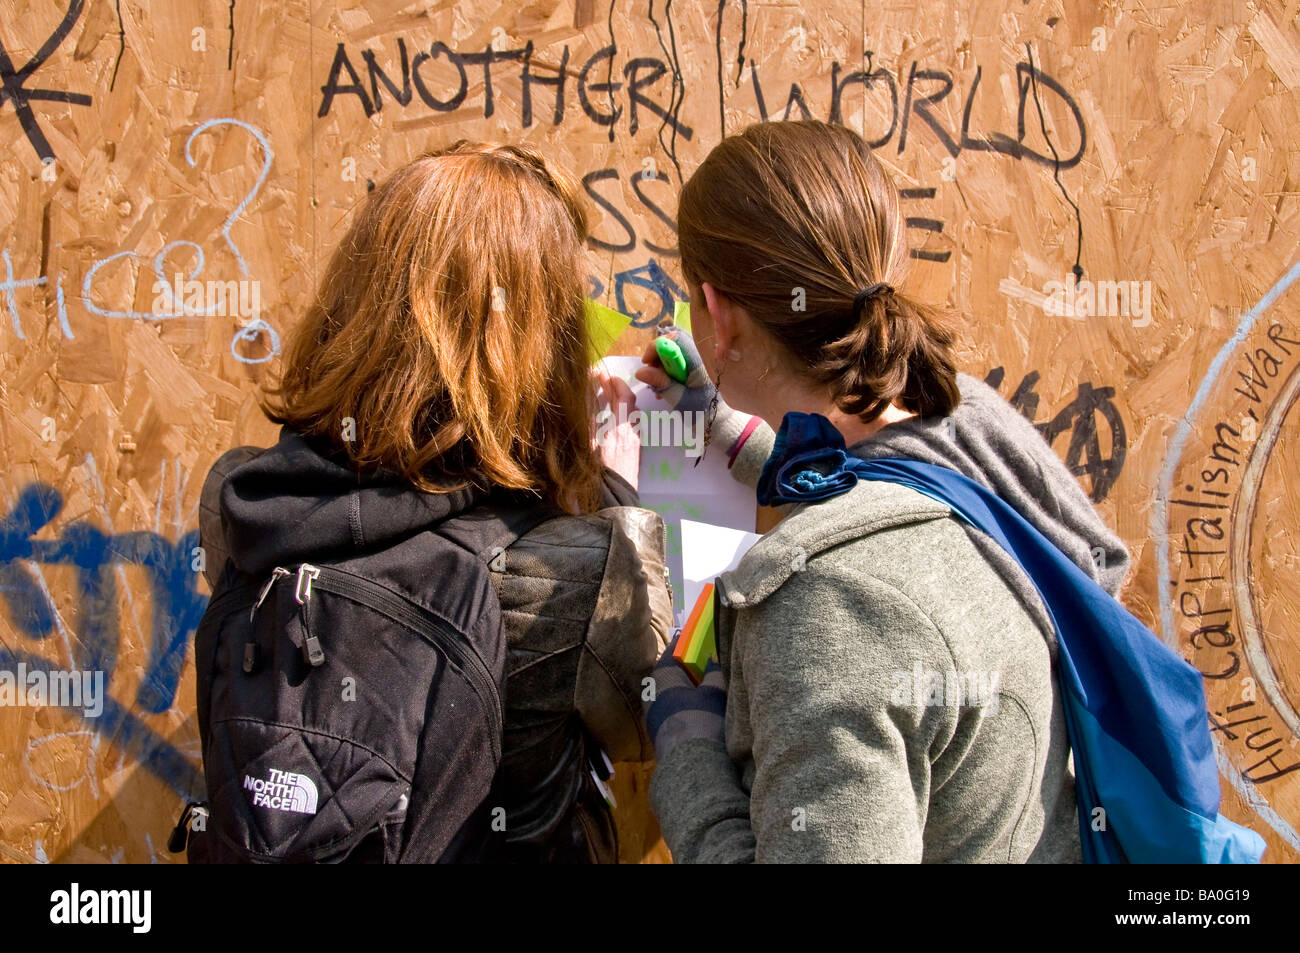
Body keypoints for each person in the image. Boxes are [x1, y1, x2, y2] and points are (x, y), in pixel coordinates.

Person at [639, 119, 1131, 863]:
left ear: (719, 315)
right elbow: (878, 479)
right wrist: (726, 429)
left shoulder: (832, 608)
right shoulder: (969, 424)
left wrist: (687, 753)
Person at [198, 141, 673, 862]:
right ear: (539, 348)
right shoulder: (569, 568)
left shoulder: (242, 507)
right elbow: (645, 712)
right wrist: (615, 486)